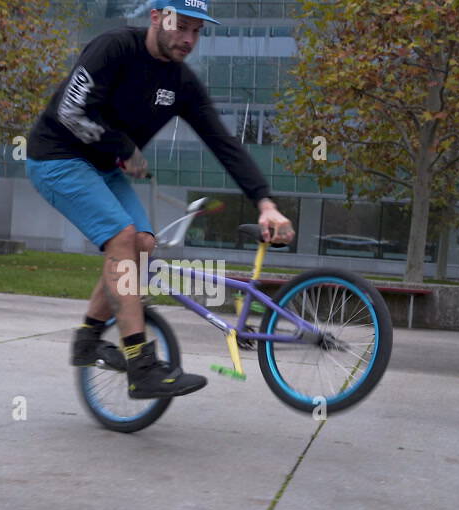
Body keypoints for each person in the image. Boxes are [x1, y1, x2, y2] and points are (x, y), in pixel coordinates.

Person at [25, 0, 295, 399]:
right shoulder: (114, 48)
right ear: (156, 17)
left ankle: (87, 339)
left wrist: (265, 202)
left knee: (143, 244)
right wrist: (124, 148)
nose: (188, 39)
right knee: (122, 237)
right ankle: (142, 365)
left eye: (197, 32)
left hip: (102, 168)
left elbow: (222, 142)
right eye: (180, 26)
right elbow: (70, 110)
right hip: (56, 158)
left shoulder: (182, 84)